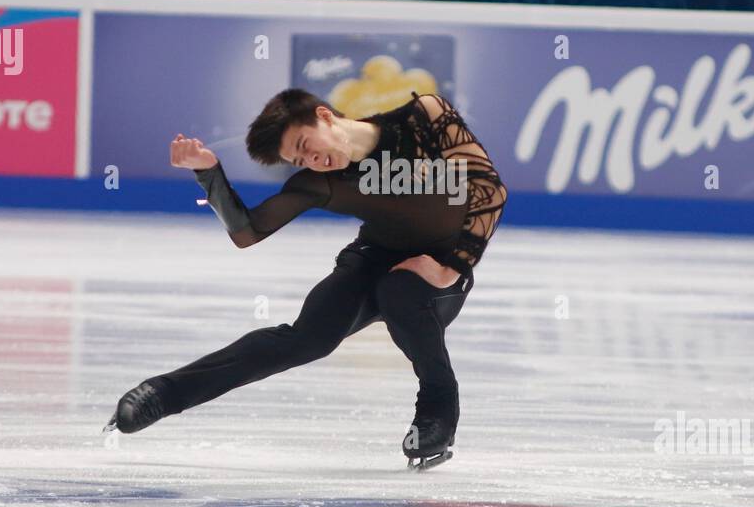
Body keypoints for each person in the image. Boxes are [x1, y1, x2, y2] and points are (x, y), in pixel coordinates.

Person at [107, 89, 508, 470]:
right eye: (299, 161)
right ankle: (163, 393)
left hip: (441, 265)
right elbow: (247, 232)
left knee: (400, 291)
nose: (312, 162)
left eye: (304, 145)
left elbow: (489, 188)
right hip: (372, 259)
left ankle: (438, 408)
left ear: (323, 116)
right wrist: (208, 173)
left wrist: (450, 268)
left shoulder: (425, 116)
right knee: (306, 338)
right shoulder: (322, 182)